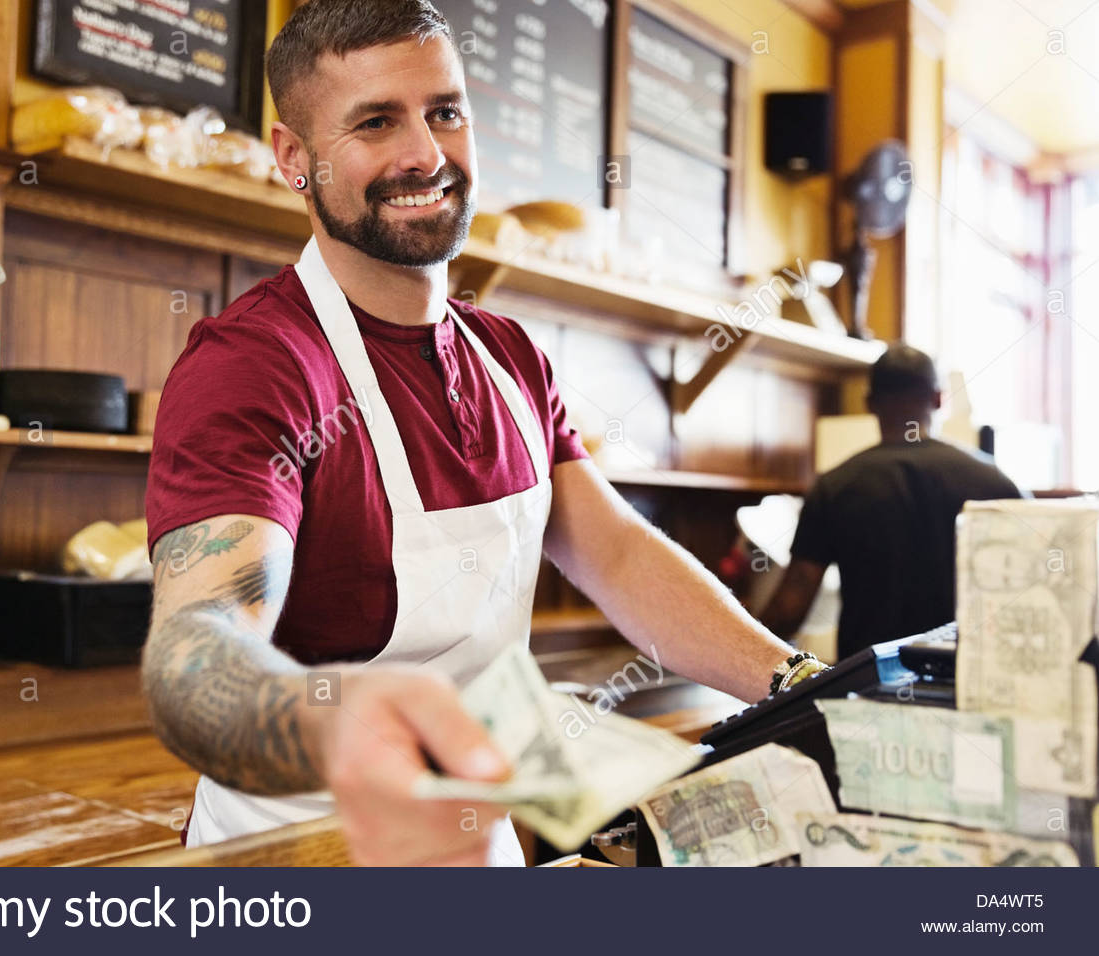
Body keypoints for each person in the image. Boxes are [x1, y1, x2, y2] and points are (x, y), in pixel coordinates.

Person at [142, 0, 813, 868]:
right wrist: (344, 727)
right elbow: (197, 659)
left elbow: (614, 553)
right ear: (294, 160)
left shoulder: (509, 356)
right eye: (376, 122)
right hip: (298, 853)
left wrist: (798, 686)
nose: (425, 152)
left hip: (474, 849)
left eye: (445, 112)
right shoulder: (254, 366)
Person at [761, 344, 1022, 661]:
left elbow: (790, 607)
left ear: (869, 403)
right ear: (938, 399)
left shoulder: (834, 487)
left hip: (866, 687)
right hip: (965, 680)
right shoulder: (993, 482)